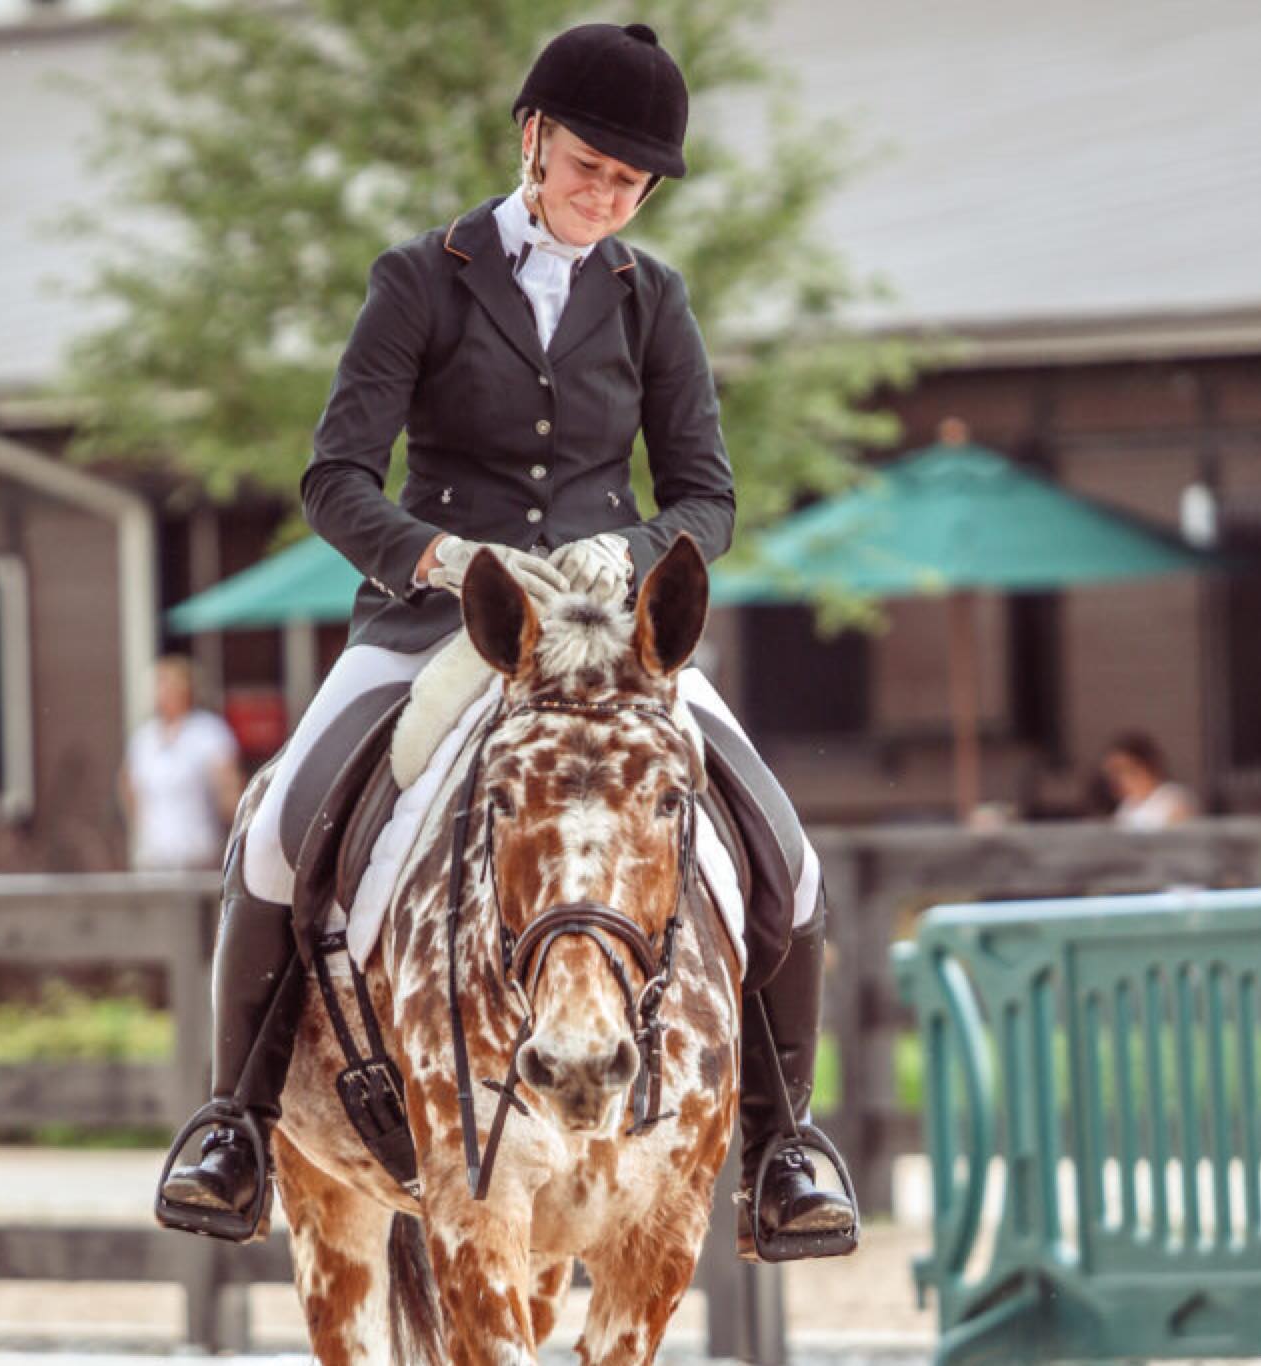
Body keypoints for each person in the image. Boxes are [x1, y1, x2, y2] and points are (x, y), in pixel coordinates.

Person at [158, 21, 857, 1259]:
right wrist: (443, 557)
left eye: (632, 183)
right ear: (532, 137)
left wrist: (625, 558)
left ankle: (781, 1144)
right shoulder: (419, 278)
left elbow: (707, 494)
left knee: (786, 861)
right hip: (439, 619)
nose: (607, 197)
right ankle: (236, 1124)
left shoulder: (653, 299)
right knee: (277, 835)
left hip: (607, 637)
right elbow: (335, 479)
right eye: (590, 167)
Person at [120, 656, 243, 872]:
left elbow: (228, 790)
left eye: (166, 685)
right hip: (154, 855)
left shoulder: (209, 732)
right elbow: (129, 786)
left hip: (197, 854)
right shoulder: (145, 737)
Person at [1100, 732, 1198, 830]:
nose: (1115, 779)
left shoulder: (1174, 799)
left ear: (1145, 767)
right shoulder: (1126, 806)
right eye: (1111, 773)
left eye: (1121, 770)